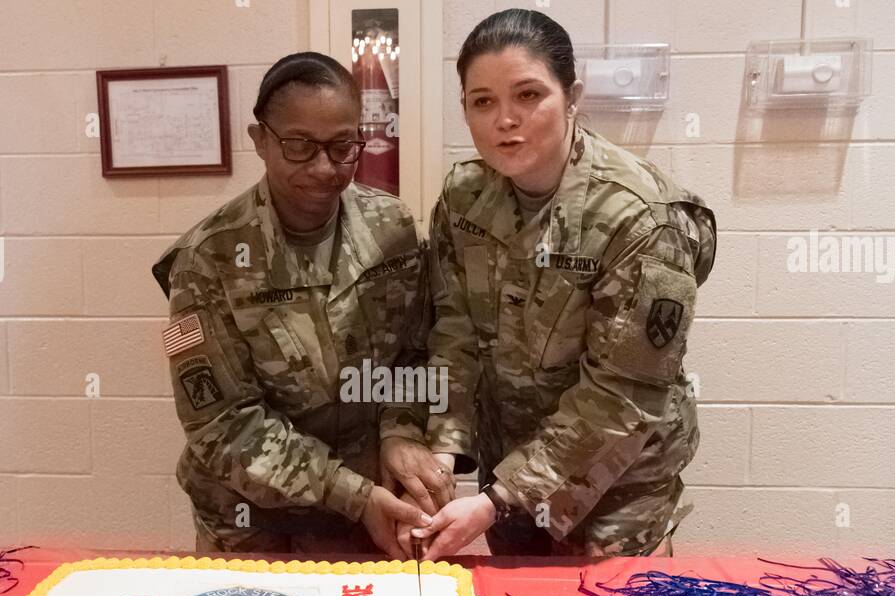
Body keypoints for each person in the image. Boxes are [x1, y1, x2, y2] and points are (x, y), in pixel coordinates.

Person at [407, 9, 717, 559]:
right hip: (511, 464)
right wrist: (446, 458)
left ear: (572, 96)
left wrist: (499, 498)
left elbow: (622, 396)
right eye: (483, 102)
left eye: (528, 95)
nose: (505, 120)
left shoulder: (641, 217)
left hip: (617, 486)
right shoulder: (463, 197)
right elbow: (453, 334)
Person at [151, 52, 451, 556]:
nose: (323, 167)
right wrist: (353, 494)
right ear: (261, 140)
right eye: (298, 146)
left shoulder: (393, 230)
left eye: (342, 146)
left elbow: (414, 356)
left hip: (374, 506)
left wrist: (401, 436)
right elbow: (223, 425)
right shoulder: (209, 259)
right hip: (254, 520)